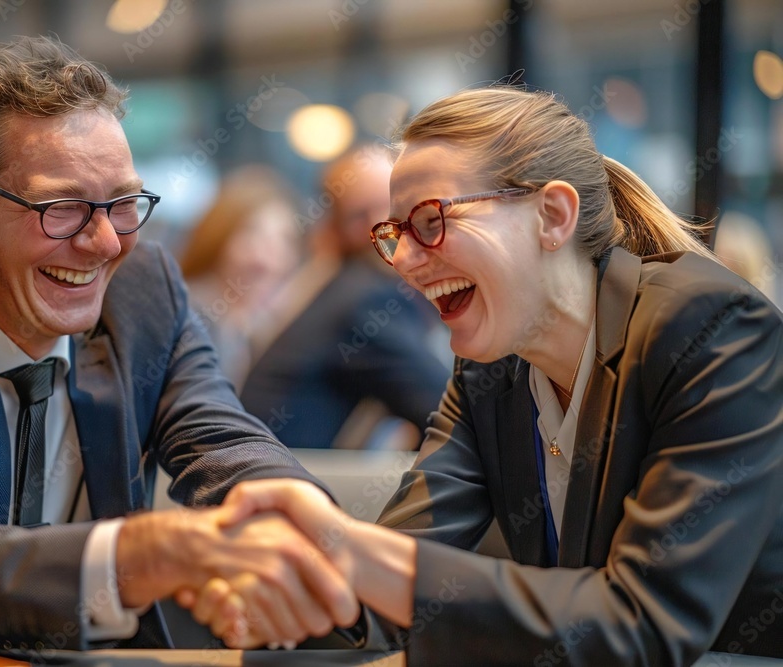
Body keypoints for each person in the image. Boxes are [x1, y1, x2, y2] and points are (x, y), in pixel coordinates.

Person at [0, 36, 358, 652]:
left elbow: (222, 437)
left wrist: (293, 510)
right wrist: (129, 557)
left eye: (122, 204)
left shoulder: (143, 294)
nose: (107, 243)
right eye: (63, 208)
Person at [184, 85, 783, 665]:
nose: (402, 263)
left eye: (428, 221)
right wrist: (285, 599)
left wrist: (357, 555)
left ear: (552, 215)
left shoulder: (711, 328)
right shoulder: (488, 371)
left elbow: (646, 625)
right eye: (394, 234)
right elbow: (404, 569)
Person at [240, 145, 449, 449]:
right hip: (283, 485)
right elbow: (447, 415)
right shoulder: (366, 300)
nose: (378, 225)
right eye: (357, 215)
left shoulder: (345, 290)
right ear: (333, 229)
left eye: (390, 205)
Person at [179, 165, 301, 386]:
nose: (270, 257)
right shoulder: (189, 313)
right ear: (219, 237)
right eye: (253, 234)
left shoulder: (252, 328)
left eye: (285, 239)